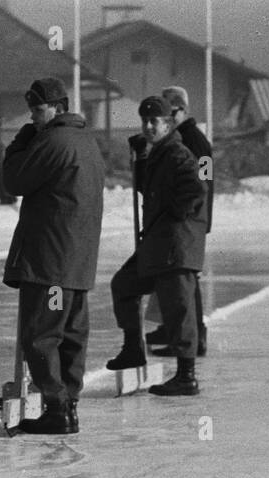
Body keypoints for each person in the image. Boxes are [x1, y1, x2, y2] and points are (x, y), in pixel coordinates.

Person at [0, 77, 105, 435]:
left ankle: (56, 407)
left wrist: (19, 143)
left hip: (50, 260)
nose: (32, 117)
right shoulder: (87, 142)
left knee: (41, 334)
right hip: (78, 258)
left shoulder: (53, 141)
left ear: (57, 108)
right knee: (72, 333)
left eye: (37, 109)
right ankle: (68, 405)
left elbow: (13, 181)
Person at [106, 96, 208, 397]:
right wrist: (140, 160)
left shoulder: (178, 153)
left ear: (167, 123)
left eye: (155, 121)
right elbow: (148, 188)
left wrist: (172, 219)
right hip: (156, 247)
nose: (149, 127)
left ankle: (186, 376)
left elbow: (195, 191)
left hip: (175, 248)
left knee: (179, 310)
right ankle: (133, 347)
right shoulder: (159, 154)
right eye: (145, 121)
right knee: (124, 284)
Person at [147, 85, 211, 358]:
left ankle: (194, 335)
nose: (170, 118)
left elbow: (204, 184)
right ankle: (175, 329)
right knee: (178, 279)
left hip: (190, 222)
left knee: (186, 281)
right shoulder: (180, 138)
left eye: (173, 112)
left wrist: (196, 219)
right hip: (188, 221)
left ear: (184, 110)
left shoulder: (194, 141)